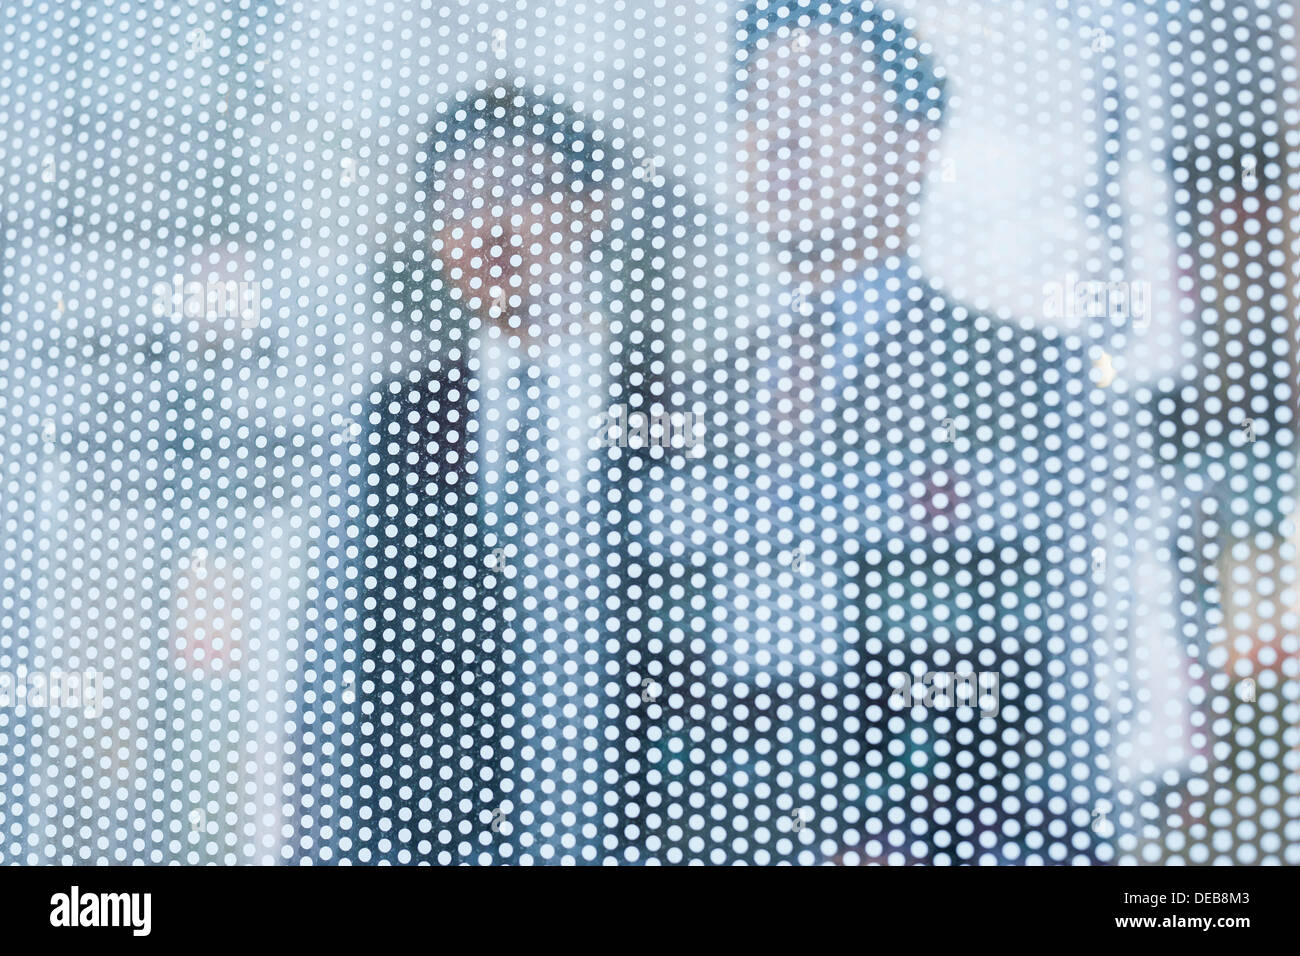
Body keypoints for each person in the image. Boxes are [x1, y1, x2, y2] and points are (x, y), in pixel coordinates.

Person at [717, 0, 1119, 863]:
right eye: (758, 104)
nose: (781, 134)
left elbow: (1054, 665)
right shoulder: (699, 391)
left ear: (914, 145)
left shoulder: (1018, 374)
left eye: (818, 96)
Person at [345, 82, 701, 864]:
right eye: (458, 206)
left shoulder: (684, 406)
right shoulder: (397, 424)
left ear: (592, 210)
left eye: (517, 191)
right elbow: (359, 668)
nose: (488, 228)